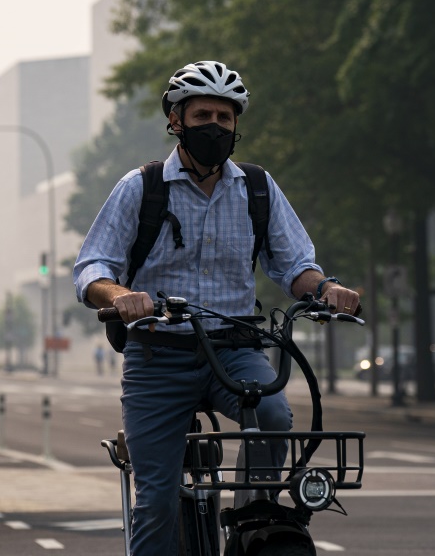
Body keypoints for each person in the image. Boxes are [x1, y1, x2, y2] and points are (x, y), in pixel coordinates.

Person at [72, 60, 362, 556]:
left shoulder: (256, 187)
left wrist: (326, 289)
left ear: (236, 126)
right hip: (157, 354)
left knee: (272, 415)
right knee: (158, 502)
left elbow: (296, 267)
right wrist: (121, 297)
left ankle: (254, 518)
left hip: (235, 350)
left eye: (224, 118)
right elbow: (91, 269)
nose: (214, 126)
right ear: (176, 120)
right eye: (202, 114)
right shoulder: (141, 188)